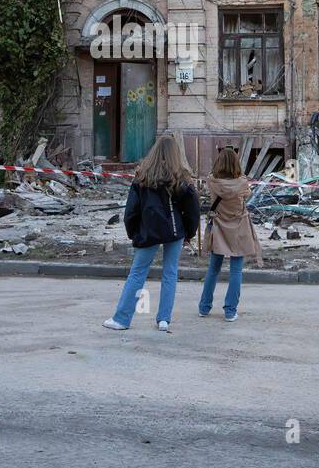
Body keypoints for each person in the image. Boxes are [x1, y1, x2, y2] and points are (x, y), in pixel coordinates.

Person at [103, 136, 200, 332]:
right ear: (176, 154)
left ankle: (122, 319)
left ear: (155, 151)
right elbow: (193, 210)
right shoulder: (182, 178)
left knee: (137, 273)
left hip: (148, 231)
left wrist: (133, 233)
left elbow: (131, 210)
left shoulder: (142, 177)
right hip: (175, 231)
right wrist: (189, 233)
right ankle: (164, 319)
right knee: (170, 273)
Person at [198, 146, 263, 322]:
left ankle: (204, 307)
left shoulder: (211, 181)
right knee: (236, 271)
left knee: (213, 269)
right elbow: (247, 195)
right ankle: (230, 311)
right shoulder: (242, 183)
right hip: (239, 227)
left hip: (219, 226)